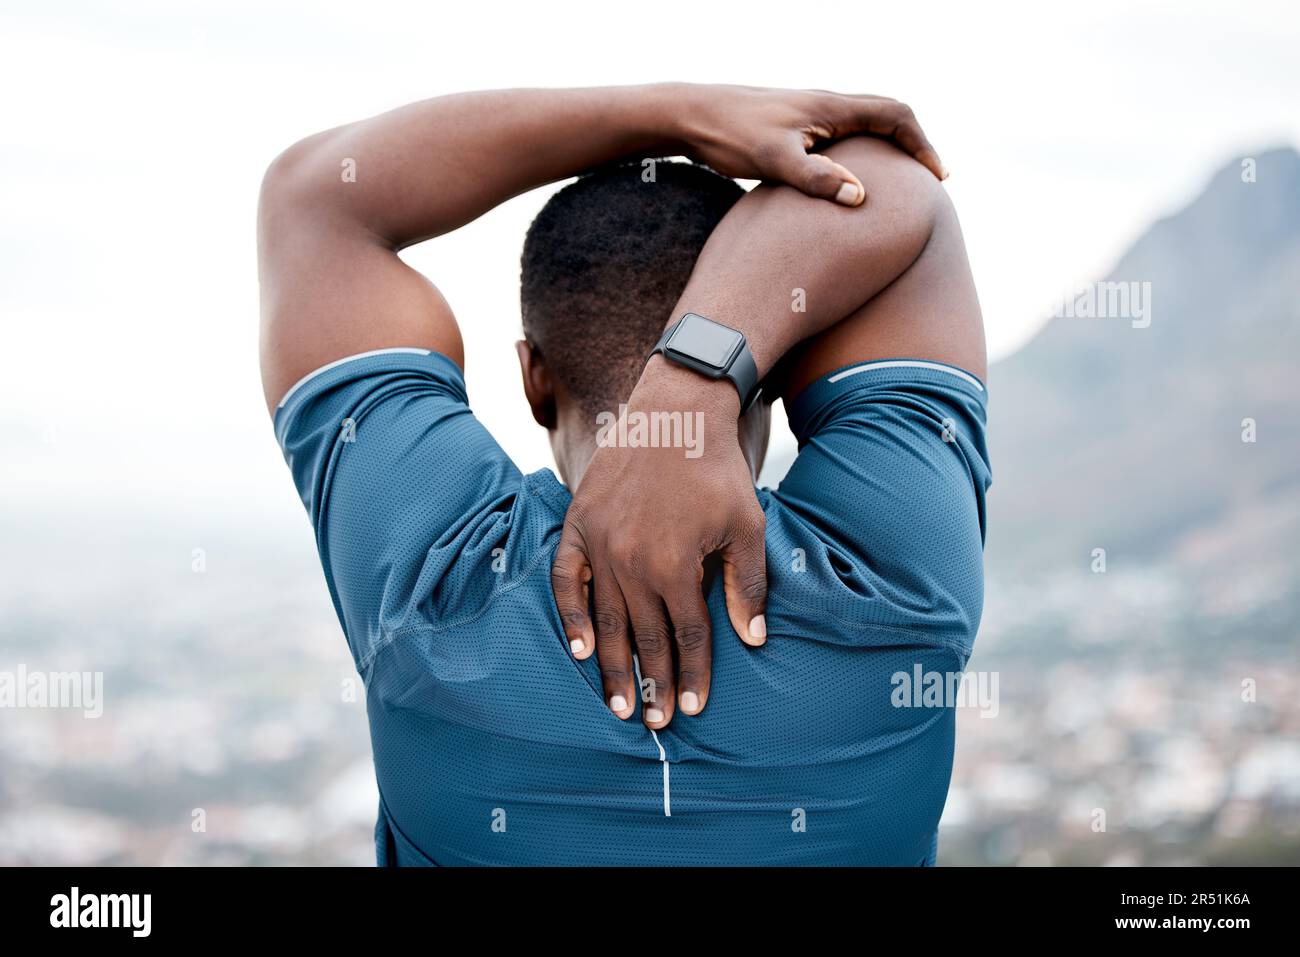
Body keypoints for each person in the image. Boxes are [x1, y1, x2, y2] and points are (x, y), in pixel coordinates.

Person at [258, 84, 990, 865]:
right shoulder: (896, 591)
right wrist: (698, 379)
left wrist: (682, 116)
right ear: (776, 368)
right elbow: (889, 182)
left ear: (534, 379)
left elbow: (316, 201)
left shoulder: (433, 586)